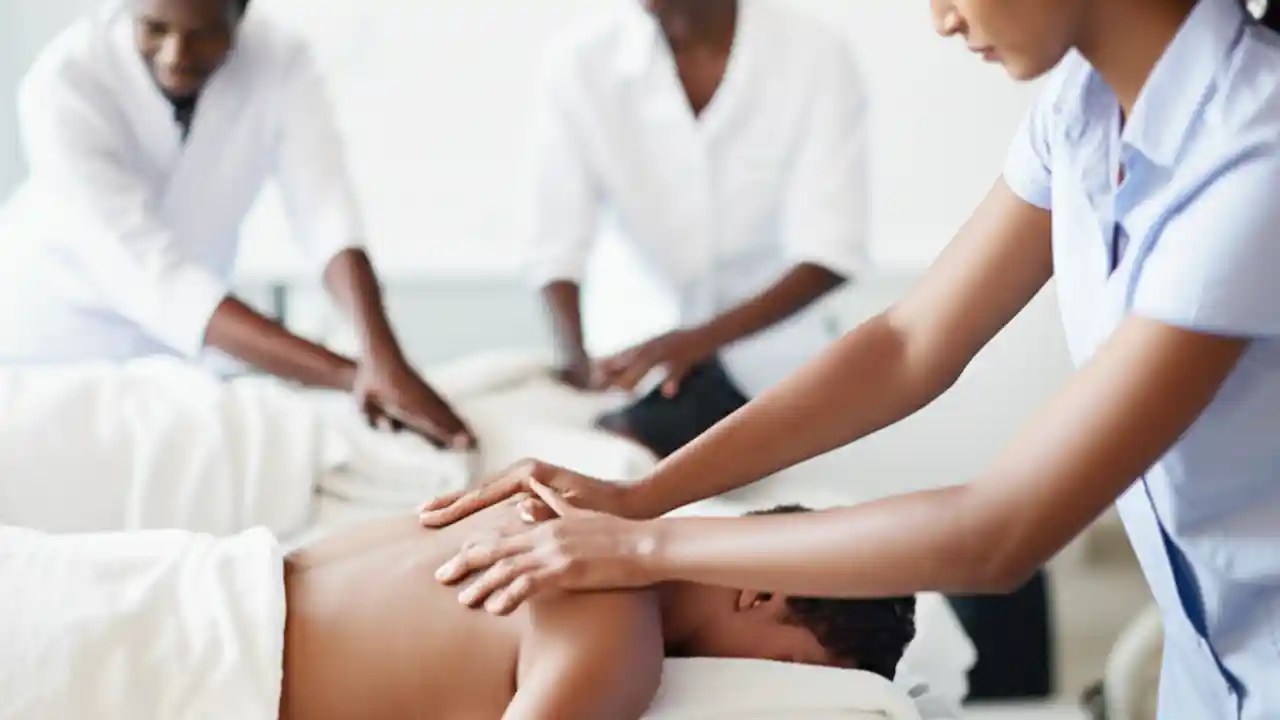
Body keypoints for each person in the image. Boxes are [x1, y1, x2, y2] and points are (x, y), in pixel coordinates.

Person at [423, 0, 1280, 717]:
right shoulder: (1081, 111)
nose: (941, 19)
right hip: (1207, 676)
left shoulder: (1254, 155)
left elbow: (999, 536)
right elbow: (907, 345)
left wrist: (644, 546)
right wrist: (641, 497)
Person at [0, 0, 473, 447]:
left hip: (183, 353)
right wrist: (355, 375)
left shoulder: (280, 60)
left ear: (240, 15)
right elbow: (153, 276)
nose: (175, 56)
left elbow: (325, 211)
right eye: (154, 28)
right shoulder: (64, 82)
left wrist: (383, 355)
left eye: (204, 34)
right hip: (48, 338)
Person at [0, 495, 917, 719]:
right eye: (790, 668)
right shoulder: (616, 641)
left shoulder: (546, 504)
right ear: (761, 590)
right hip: (174, 667)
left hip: (149, 578)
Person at [528, 0, 867, 458]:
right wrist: (579, 363)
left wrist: (696, 343)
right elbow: (555, 248)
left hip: (773, 354)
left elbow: (831, 250)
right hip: (628, 355)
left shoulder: (814, 56)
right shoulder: (580, 61)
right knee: (605, 454)